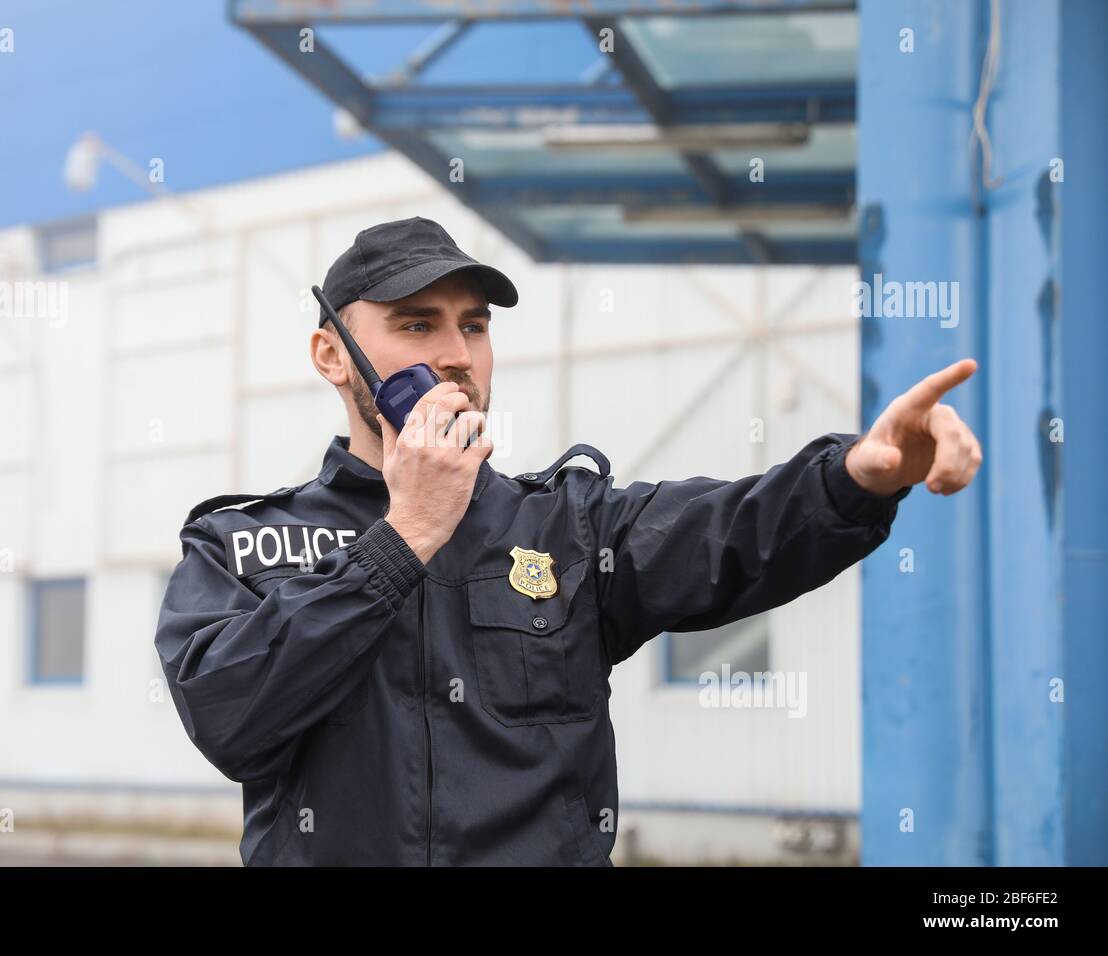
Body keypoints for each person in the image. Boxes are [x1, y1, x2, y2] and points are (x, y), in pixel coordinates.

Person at [154, 216, 983, 866]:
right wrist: (404, 538)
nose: (455, 356)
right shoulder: (246, 546)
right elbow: (231, 719)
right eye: (415, 327)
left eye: (473, 327)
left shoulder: (565, 528)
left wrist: (859, 474)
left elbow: (730, 531)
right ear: (331, 355)